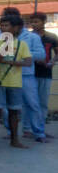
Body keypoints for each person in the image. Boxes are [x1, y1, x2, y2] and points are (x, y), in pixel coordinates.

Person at [0, 13, 31, 148]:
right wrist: (6, 46)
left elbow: (28, 62)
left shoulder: (22, 44)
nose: (3, 28)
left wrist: (11, 62)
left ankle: (14, 140)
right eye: (2, 25)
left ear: (15, 28)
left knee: (14, 112)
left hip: (14, 82)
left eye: (6, 25)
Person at [17, 14, 47, 143]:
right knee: (8, 106)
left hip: (26, 74)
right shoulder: (4, 36)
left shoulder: (32, 37)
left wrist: (22, 54)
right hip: (7, 75)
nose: (5, 26)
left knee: (32, 104)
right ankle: (12, 131)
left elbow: (41, 55)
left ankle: (38, 132)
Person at [28, 12, 56, 141]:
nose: (34, 24)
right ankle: (28, 129)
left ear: (44, 22)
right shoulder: (28, 37)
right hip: (30, 73)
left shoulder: (51, 37)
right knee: (30, 103)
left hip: (45, 73)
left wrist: (52, 62)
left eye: (37, 21)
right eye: (32, 22)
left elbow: (57, 53)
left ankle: (41, 128)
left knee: (43, 103)